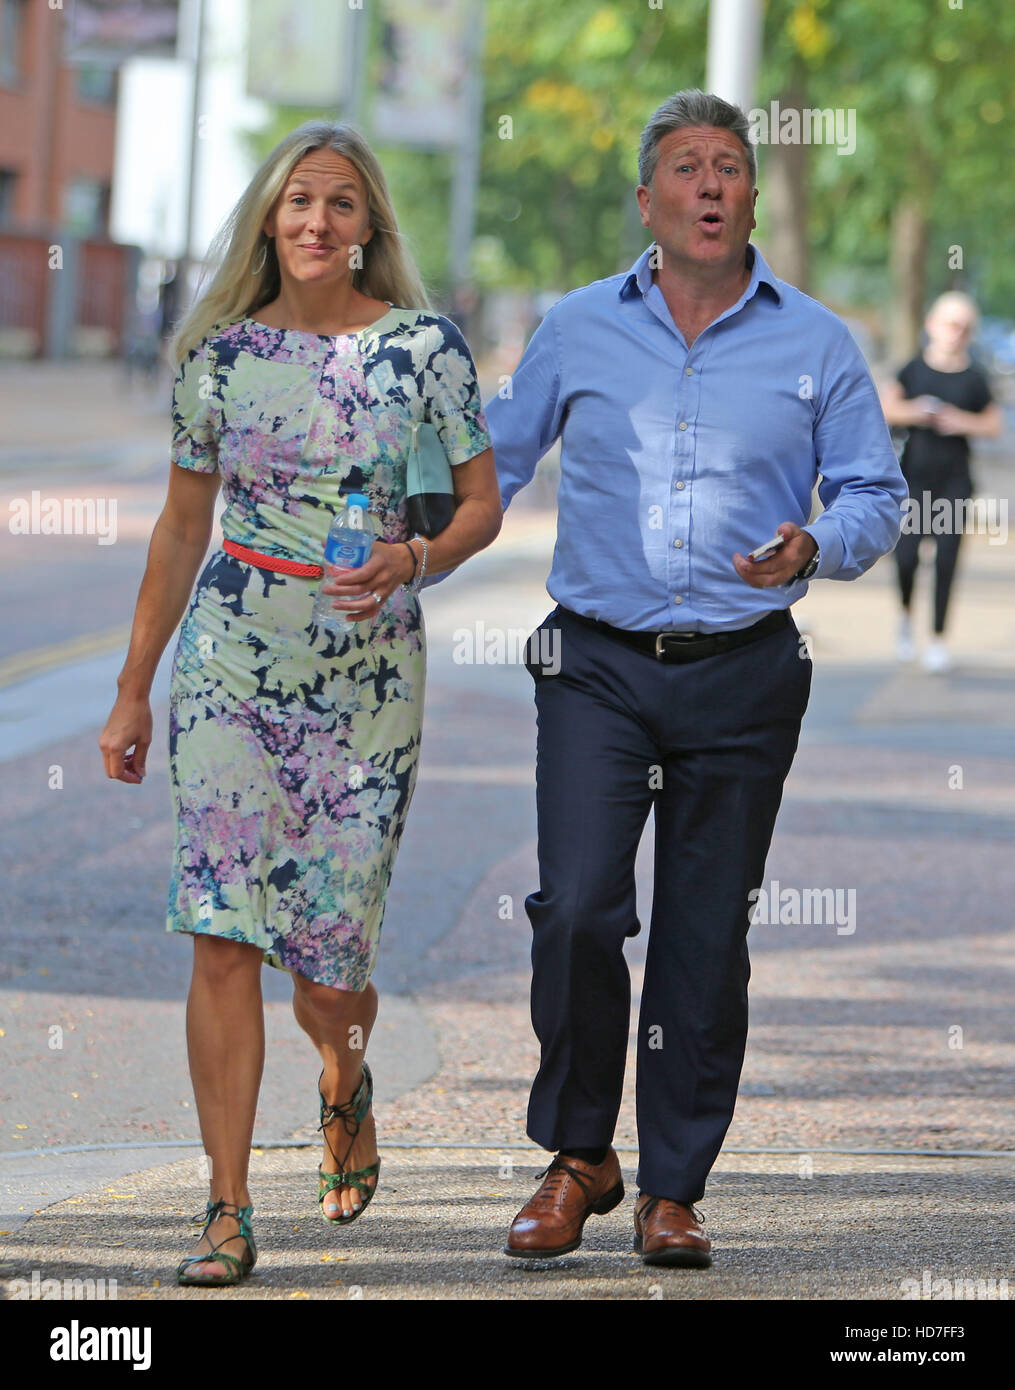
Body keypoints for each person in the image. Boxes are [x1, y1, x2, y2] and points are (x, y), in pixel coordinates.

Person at [485, 89, 907, 1267]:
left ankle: (674, 1184)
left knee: (704, 936)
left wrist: (816, 546)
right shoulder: (575, 326)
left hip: (744, 670)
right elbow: (492, 470)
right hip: (596, 666)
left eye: (729, 165)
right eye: (687, 165)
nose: (712, 183)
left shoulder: (816, 340)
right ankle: (579, 1155)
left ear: (751, 197)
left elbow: (875, 490)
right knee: (575, 907)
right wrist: (402, 555)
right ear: (647, 198)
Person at [98, 120, 500, 1285]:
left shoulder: (424, 349)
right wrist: (134, 690)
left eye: (338, 203)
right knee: (221, 931)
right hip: (230, 652)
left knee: (329, 968)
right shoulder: (218, 356)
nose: (316, 222)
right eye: (296, 203)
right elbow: (181, 529)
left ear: (369, 224)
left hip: (369, 671)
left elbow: (477, 505)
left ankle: (343, 1072)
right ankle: (224, 1206)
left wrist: (413, 562)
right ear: (268, 221)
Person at [879, 292, 1003, 673]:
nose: (956, 333)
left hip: (955, 483)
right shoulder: (913, 370)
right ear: (932, 326)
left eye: (964, 327)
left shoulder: (975, 377)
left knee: (947, 559)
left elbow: (994, 424)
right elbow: (884, 407)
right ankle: (904, 617)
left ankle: (936, 639)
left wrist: (959, 421)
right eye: (950, 324)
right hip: (913, 479)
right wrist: (918, 413)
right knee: (906, 557)